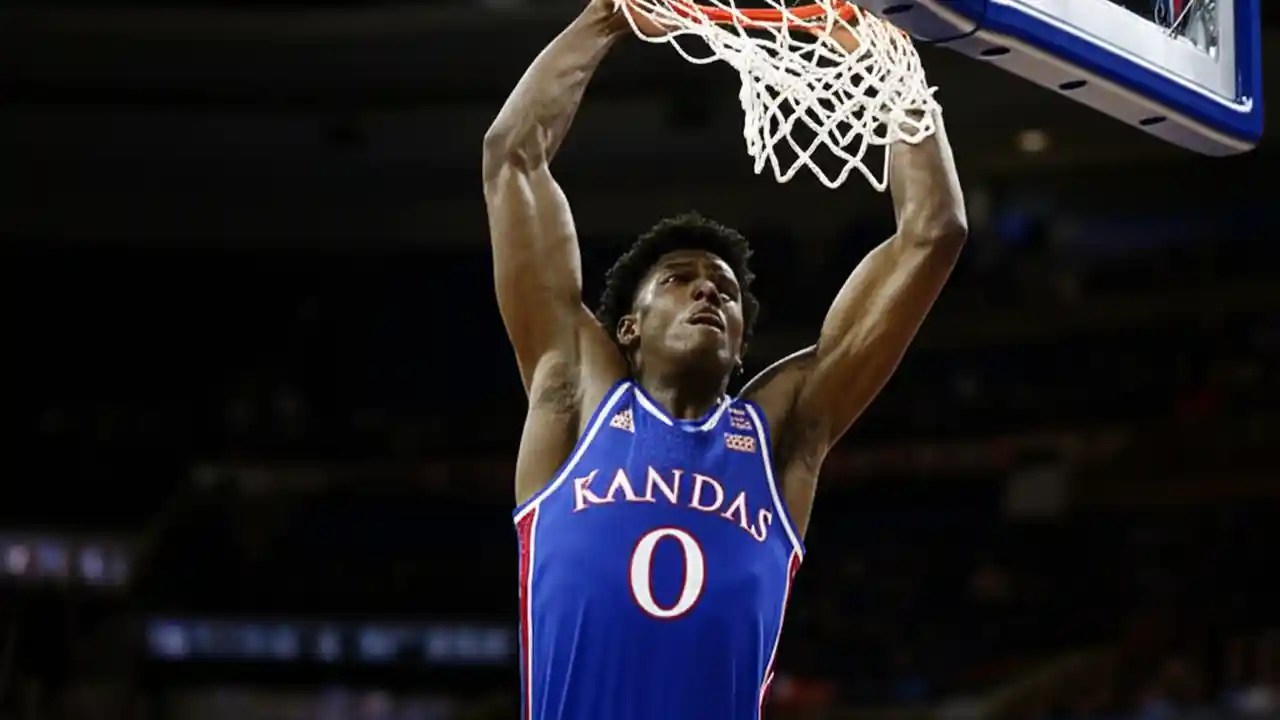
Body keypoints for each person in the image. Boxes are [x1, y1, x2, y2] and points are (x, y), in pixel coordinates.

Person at [481, 0, 966, 716]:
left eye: (727, 291)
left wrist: (895, 72)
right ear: (628, 329)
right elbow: (512, 159)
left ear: (739, 344)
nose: (709, 289)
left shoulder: (781, 434)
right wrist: (607, 18)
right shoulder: (576, 394)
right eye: (679, 279)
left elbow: (935, 233)